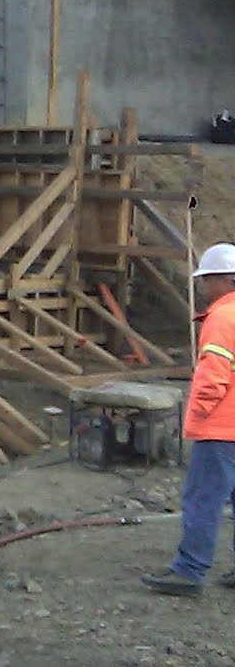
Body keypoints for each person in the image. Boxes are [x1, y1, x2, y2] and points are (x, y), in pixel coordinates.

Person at [143, 243, 235, 596]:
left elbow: (213, 376)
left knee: (202, 499)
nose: (201, 287)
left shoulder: (222, 318)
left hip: (222, 429)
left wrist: (196, 415)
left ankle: (189, 570)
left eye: (206, 279)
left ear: (224, 280)